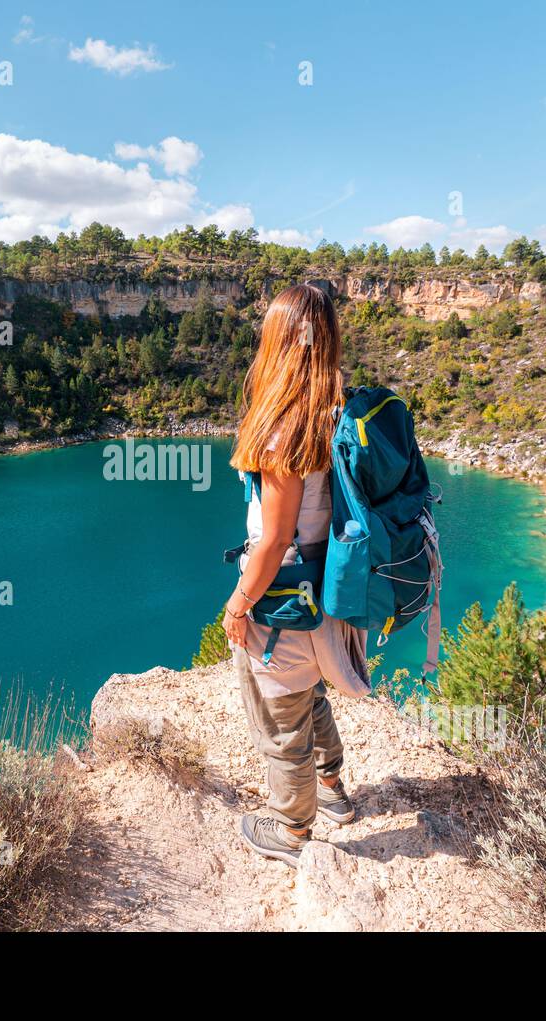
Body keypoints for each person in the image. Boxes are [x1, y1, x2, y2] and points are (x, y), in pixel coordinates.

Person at [223, 283, 370, 867]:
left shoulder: (285, 427)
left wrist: (238, 604)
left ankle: (291, 831)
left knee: (281, 720)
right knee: (308, 696)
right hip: (329, 592)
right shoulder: (337, 412)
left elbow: (275, 538)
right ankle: (333, 791)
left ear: (278, 340)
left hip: (284, 600)